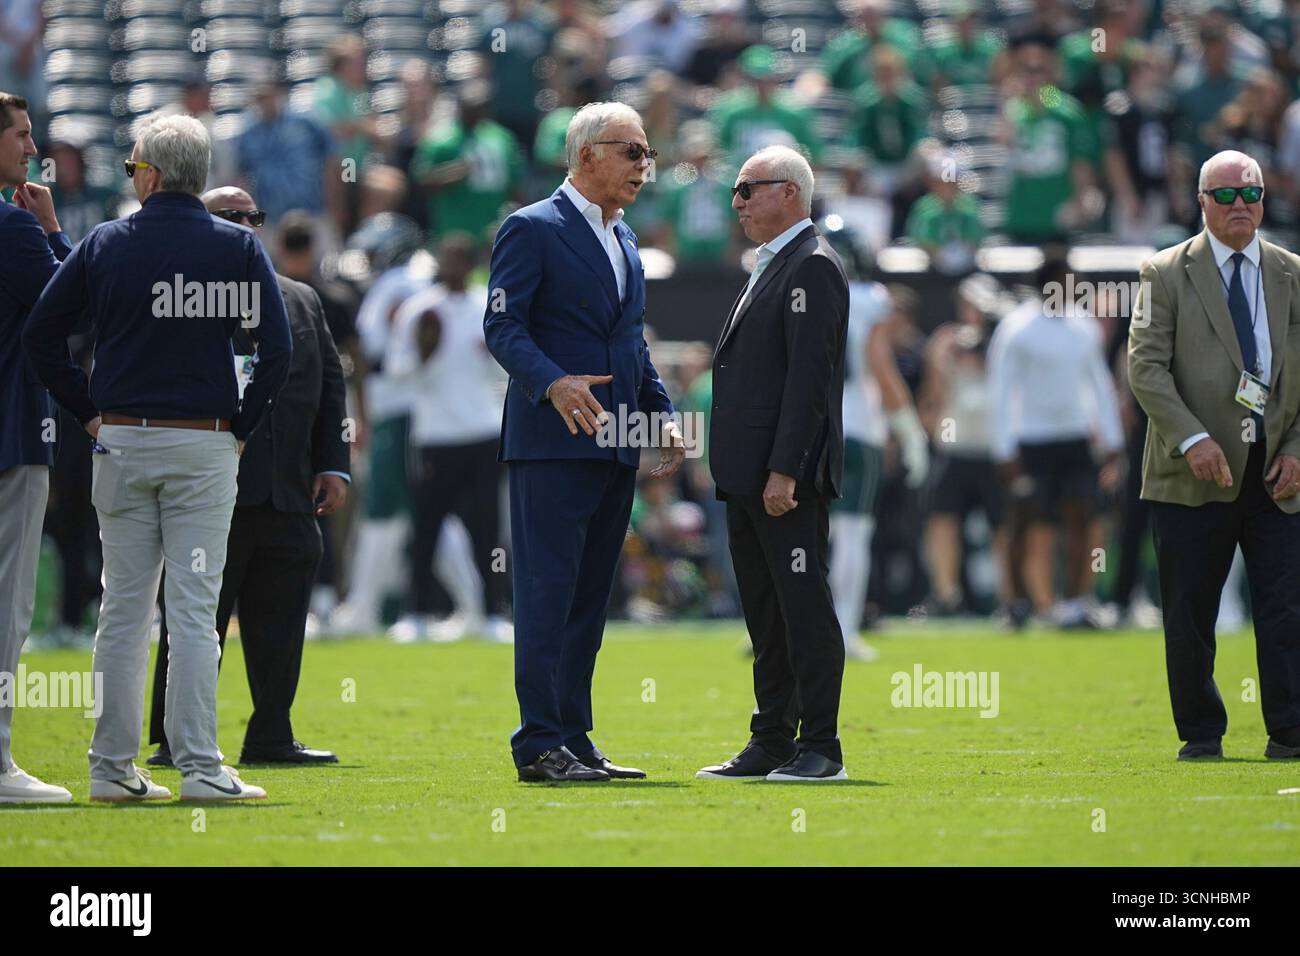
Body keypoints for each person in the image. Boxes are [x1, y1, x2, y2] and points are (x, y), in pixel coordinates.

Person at [23, 113, 292, 801]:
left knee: (122, 609)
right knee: (194, 610)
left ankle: (111, 768)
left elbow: (44, 334)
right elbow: (277, 350)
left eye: (132, 165)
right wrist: (239, 427)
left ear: (150, 173)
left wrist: (85, 413)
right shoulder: (235, 246)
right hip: (202, 440)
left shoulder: (108, 242)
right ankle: (200, 767)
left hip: (121, 438)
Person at [483, 101, 683, 782]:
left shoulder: (625, 238)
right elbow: (502, 328)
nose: (644, 166)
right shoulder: (530, 228)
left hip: (615, 440)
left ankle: (573, 735)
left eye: (647, 154)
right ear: (588, 153)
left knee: (590, 598)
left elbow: (632, 342)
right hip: (551, 439)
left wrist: (660, 410)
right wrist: (553, 384)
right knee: (545, 593)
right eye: (634, 151)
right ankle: (538, 743)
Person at [145, 186, 349, 768]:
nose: (243, 226)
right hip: (207, 492)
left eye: (251, 217)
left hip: (289, 490)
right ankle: (173, 739)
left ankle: (270, 736)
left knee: (282, 621)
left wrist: (333, 465)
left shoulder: (302, 299)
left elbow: (330, 385)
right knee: (193, 618)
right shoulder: (181, 299)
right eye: (227, 217)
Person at [1129, 149, 1300, 761]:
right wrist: (1193, 438)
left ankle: (1290, 732)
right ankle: (1201, 734)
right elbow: (1144, 367)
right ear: (1200, 202)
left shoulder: (1291, 271)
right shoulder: (1162, 272)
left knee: (1286, 608)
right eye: (1224, 195)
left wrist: (1299, 450)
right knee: (1190, 609)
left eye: (1250, 193)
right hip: (1192, 471)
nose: (1240, 206)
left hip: (1277, 471)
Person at [698, 145, 851, 782]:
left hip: (780, 478)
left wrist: (785, 469)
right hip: (748, 477)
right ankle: (772, 739)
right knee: (765, 612)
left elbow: (809, 383)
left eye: (746, 189)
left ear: (788, 191)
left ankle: (821, 745)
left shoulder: (811, 266)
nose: (736, 203)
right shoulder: (774, 264)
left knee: (803, 606)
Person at [0, 90, 73, 804]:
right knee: (7, 606)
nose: (31, 148)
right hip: (14, 433)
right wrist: (53, 231)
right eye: (21, 135)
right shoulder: (14, 228)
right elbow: (77, 312)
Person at [988, 256, 1123, 629]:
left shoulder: (1083, 327)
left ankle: (1077, 604)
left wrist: (1111, 438)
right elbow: (1001, 390)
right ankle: (1016, 604)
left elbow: (1099, 384)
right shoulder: (1016, 329)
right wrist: (1004, 448)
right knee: (1024, 521)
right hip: (1030, 442)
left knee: (1081, 517)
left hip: (1076, 439)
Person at [388, 232, 510, 643]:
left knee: (487, 529)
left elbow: (509, 370)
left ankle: (492, 614)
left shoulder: (487, 306)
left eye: (462, 259)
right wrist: (424, 353)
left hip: (482, 430)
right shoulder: (419, 310)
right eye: (448, 258)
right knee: (426, 526)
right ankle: (416, 613)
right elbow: (396, 369)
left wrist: (490, 354)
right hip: (435, 434)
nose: (454, 266)